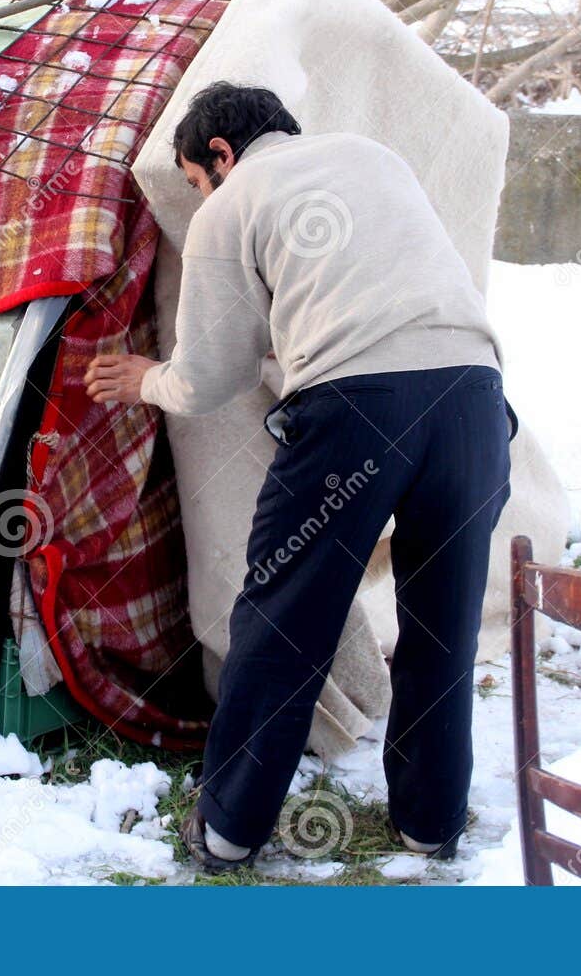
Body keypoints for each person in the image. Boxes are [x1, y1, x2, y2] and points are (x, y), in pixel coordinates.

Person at [84, 82, 514, 873]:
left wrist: (147, 376)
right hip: (475, 398)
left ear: (221, 154)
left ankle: (228, 828)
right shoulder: (374, 158)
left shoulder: (231, 203)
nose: (195, 198)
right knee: (442, 625)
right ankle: (430, 825)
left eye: (192, 179)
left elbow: (211, 376)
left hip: (355, 412)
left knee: (284, 621)